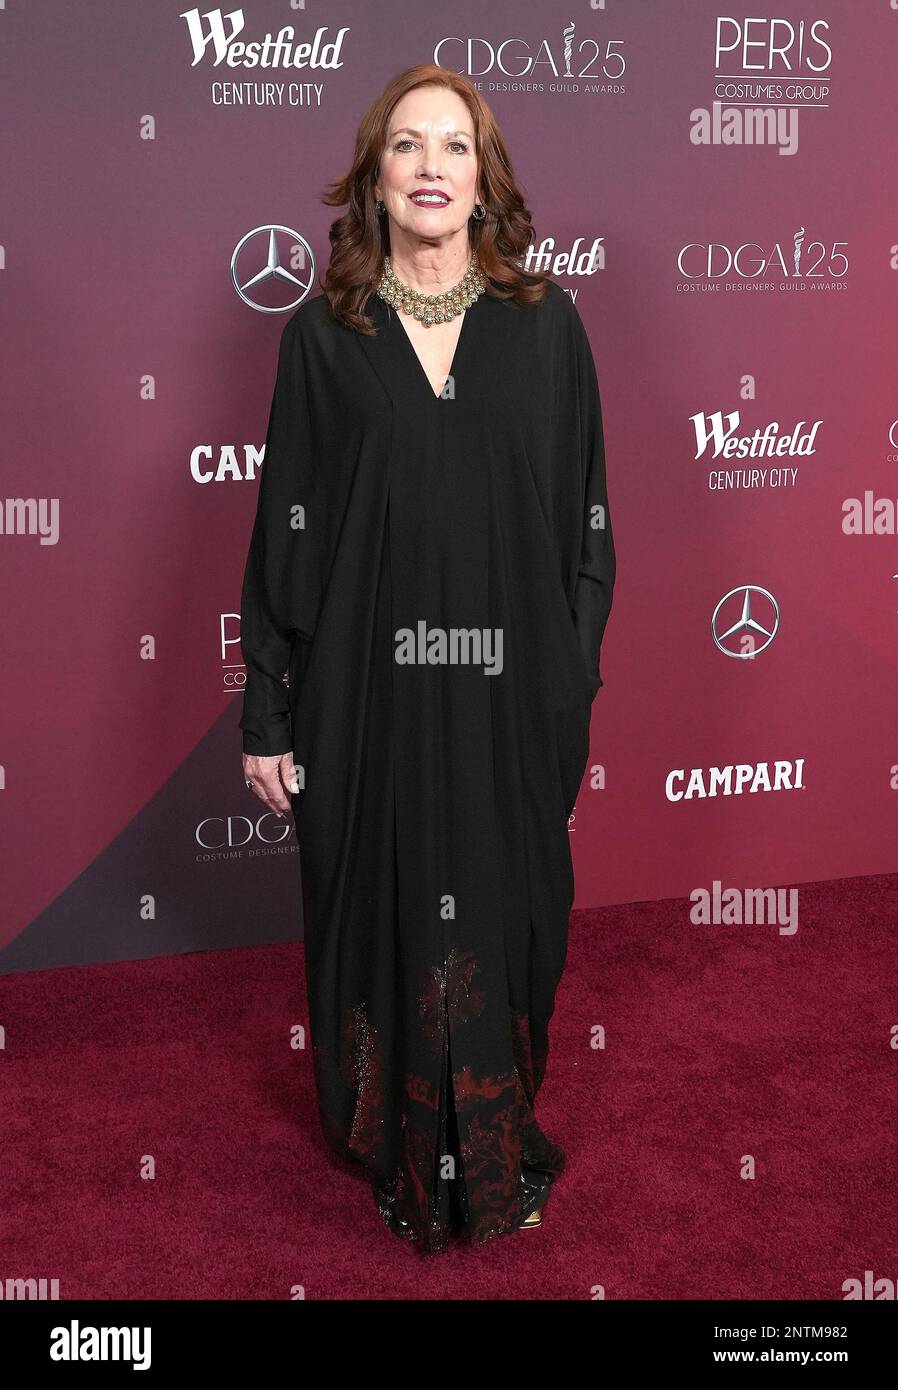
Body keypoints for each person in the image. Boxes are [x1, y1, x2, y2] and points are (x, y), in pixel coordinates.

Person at [239, 63, 615, 1252]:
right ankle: (405, 1150)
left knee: (509, 914)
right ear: (376, 175)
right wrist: (268, 706)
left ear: (484, 174)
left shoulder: (546, 323)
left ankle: (494, 1140)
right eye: (409, 145)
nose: (433, 167)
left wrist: (567, 672)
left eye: (455, 146)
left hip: (511, 698)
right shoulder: (324, 334)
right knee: (385, 906)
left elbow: (586, 526)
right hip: (367, 697)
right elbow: (285, 528)